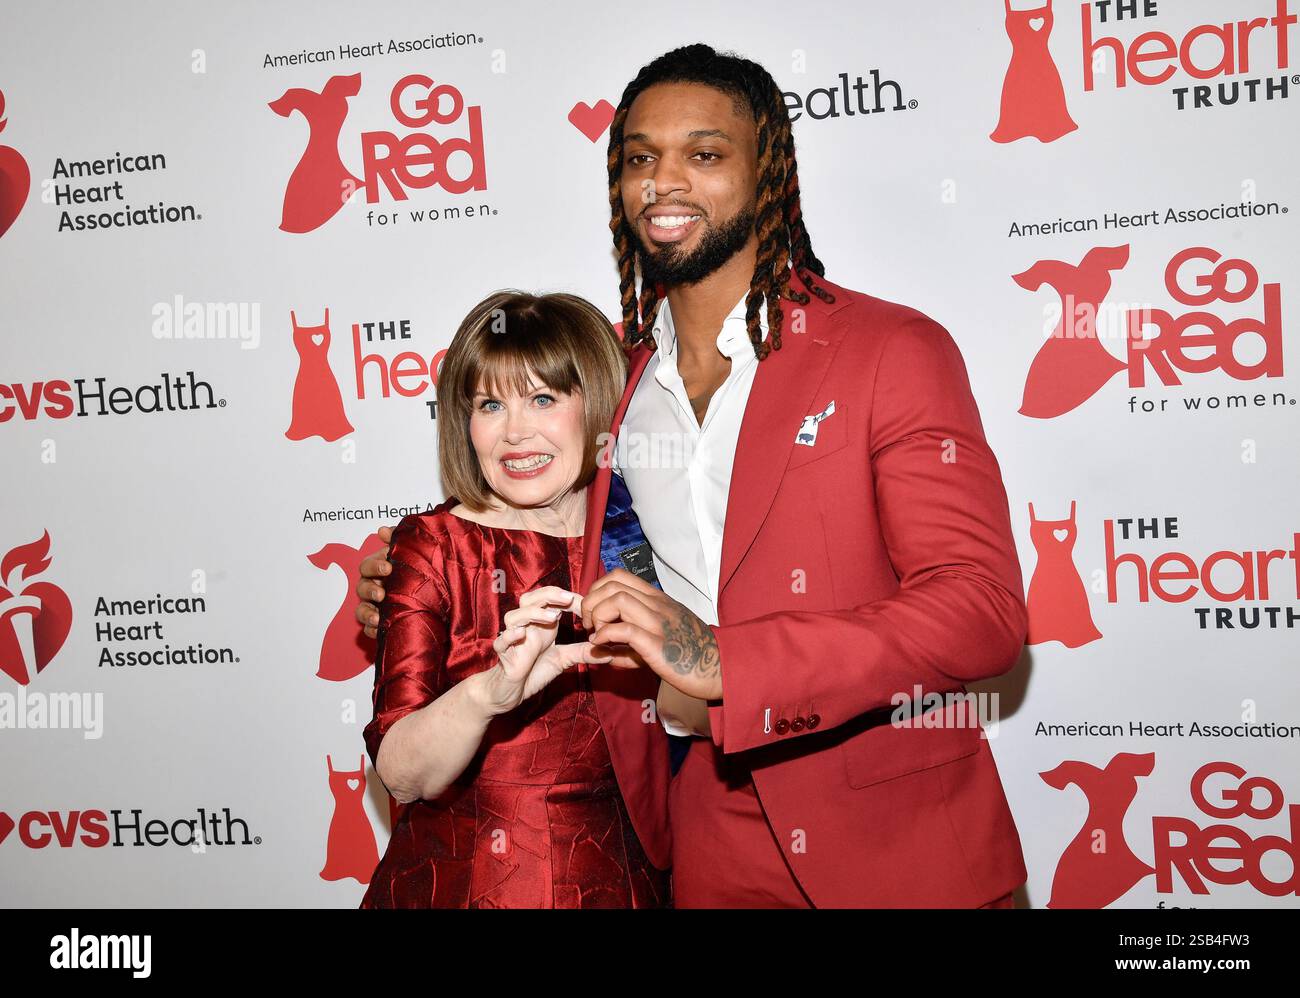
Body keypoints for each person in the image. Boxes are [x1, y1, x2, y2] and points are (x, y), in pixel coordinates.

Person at [357, 44, 1028, 908]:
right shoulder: (612, 387)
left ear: (770, 174)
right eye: (641, 158)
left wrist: (729, 660)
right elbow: (524, 505)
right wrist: (410, 574)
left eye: (704, 155)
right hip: (704, 848)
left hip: (901, 848)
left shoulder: (889, 351)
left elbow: (978, 612)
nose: (663, 181)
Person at [358, 289, 667, 908]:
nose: (515, 432)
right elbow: (401, 774)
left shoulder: (650, 540)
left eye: (544, 398)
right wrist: (487, 696)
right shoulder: (433, 547)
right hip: (467, 886)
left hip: (628, 884)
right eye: (490, 403)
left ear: (598, 405)